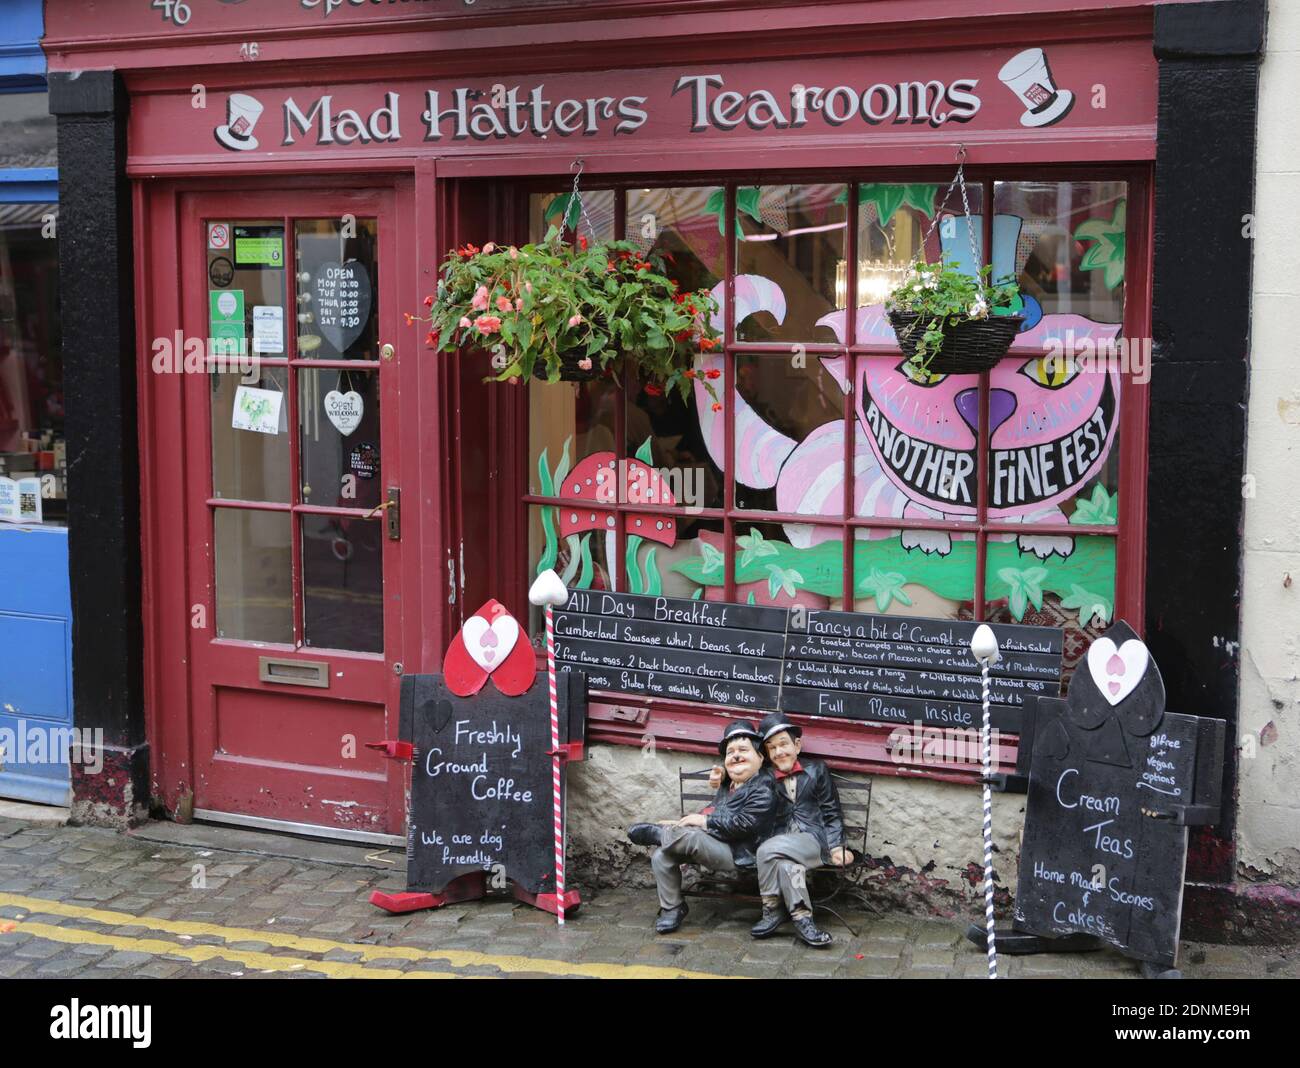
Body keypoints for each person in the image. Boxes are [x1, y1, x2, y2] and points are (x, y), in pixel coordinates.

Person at [626, 719, 777, 934]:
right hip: (715, 840)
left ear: (761, 758)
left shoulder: (763, 788)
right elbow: (713, 811)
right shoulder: (730, 784)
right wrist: (685, 821)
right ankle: (673, 908)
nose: (735, 756)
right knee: (661, 855)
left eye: (743, 750)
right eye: (730, 752)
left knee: (692, 838)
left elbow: (744, 824)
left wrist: (703, 822)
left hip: (740, 852)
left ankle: (661, 834)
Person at [751, 712, 854, 948]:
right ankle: (803, 919)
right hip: (782, 841)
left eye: (784, 744)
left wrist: (837, 845)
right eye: (772, 748)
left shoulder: (816, 770)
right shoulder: (765, 777)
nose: (779, 752)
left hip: (812, 840)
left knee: (766, 851)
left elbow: (831, 812)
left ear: (797, 745)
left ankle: (771, 908)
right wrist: (723, 777)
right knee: (788, 866)